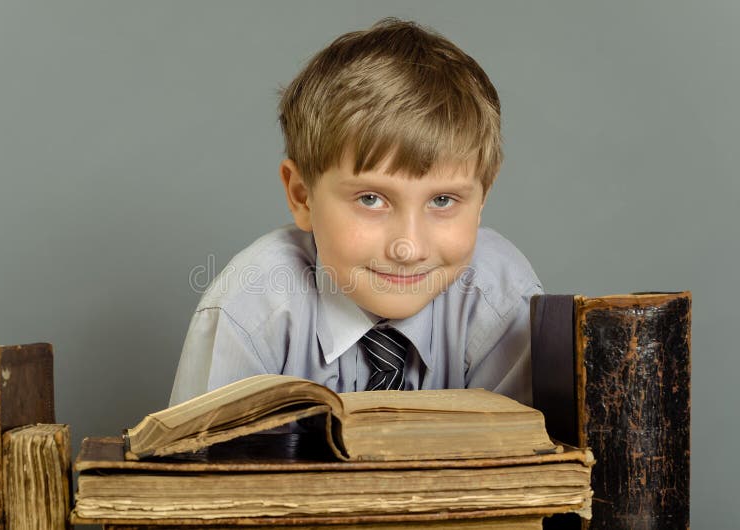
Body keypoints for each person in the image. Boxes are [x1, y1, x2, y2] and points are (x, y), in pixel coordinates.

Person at [169, 17, 542, 407]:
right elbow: (203, 446)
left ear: (481, 201)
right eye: (371, 199)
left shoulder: (503, 301)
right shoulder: (251, 308)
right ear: (302, 196)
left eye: (442, 201)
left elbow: (532, 445)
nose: (408, 247)